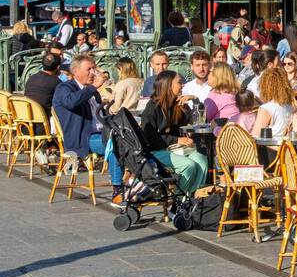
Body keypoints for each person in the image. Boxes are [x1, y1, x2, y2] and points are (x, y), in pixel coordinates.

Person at [52, 54, 124, 201]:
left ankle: (134, 182)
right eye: (89, 69)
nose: (93, 72)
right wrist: (92, 88)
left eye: (94, 68)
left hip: (101, 133)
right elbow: (71, 102)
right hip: (82, 137)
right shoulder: (65, 88)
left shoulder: (91, 91)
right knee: (115, 145)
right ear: (76, 71)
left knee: (131, 141)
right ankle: (118, 189)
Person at [138, 69, 209, 195]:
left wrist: (195, 100)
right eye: (179, 83)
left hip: (179, 149)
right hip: (156, 151)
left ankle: (192, 199)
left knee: (202, 161)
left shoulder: (179, 104)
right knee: (189, 166)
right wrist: (176, 139)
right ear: (168, 85)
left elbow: (199, 122)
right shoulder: (153, 107)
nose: (183, 85)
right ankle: (178, 203)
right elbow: (149, 137)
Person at [251, 66, 296, 139]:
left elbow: (256, 135)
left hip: (271, 147)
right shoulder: (291, 106)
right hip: (287, 147)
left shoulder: (267, 108)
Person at [203, 61, 243, 126]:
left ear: (217, 76)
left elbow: (204, 118)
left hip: (220, 133)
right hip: (237, 132)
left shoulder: (216, 95)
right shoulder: (234, 93)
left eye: (210, 72)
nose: (208, 74)